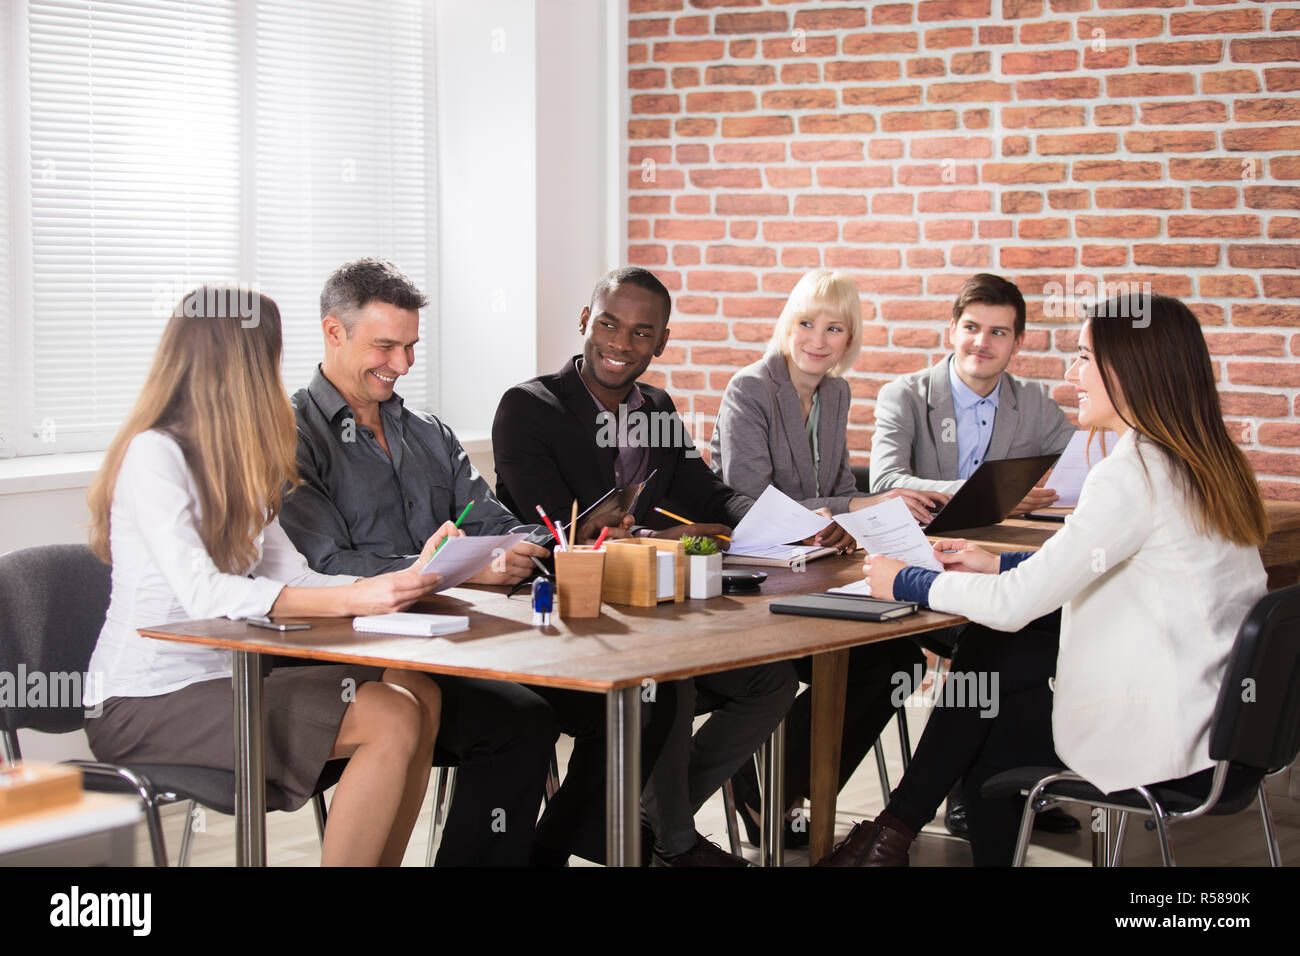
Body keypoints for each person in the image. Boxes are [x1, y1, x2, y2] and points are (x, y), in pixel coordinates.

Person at [819, 292, 1269, 866]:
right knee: (1000, 667)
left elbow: (1013, 605)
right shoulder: (1206, 460)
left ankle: (887, 836)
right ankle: (889, 836)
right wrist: (994, 561)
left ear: (1131, 369)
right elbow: (1110, 568)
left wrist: (904, 580)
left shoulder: (1132, 473)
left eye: (1083, 357)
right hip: (1228, 729)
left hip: (1165, 735)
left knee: (994, 691)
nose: (1070, 373)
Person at [84, 287, 446, 866]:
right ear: (238, 363)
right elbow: (204, 593)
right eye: (269, 357)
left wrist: (400, 581)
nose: (276, 373)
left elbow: (293, 574)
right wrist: (361, 596)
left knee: (419, 692)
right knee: (389, 713)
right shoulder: (155, 454)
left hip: (225, 683)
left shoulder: (240, 459)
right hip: (143, 699)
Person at [493, 266, 798, 866]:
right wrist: (653, 531)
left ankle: (646, 820)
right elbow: (556, 525)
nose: (619, 343)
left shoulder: (656, 407)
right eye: (608, 323)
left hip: (655, 605)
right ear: (585, 320)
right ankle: (675, 845)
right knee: (670, 678)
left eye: (640, 332)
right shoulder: (531, 408)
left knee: (772, 680)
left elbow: (707, 494)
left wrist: (779, 523)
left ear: (660, 342)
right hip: (567, 616)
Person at [277, 258, 559, 867]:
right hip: (351, 660)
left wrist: (541, 540)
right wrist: (454, 569)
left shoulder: (428, 431)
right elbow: (326, 563)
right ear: (333, 332)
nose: (402, 365)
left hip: (451, 644)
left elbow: (493, 523)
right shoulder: (290, 433)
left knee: (594, 702)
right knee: (521, 723)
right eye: (385, 345)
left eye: (410, 347)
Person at [708, 269, 943, 845]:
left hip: (818, 567)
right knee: (842, 659)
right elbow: (747, 496)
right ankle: (767, 780)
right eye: (806, 323)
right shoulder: (751, 388)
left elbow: (835, 485)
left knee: (901, 659)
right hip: (759, 573)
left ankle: (784, 784)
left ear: (849, 337)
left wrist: (845, 519)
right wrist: (858, 502)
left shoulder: (836, 392)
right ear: (788, 326)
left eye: (834, 328)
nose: (818, 339)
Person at [868, 272, 1078, 836]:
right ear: (952, 329)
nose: (981, 343)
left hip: (995, 558)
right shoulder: (906, 395)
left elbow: (1084, 457)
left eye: (998, 333)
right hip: (926, 560)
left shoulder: (1032, 401)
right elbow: (888, 478)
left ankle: (995, 790)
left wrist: (1062, 489)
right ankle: (998, 791)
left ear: (1018, 343)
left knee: (1019, 631)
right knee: (1012, 636)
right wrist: (987, 490)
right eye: (971, 328)